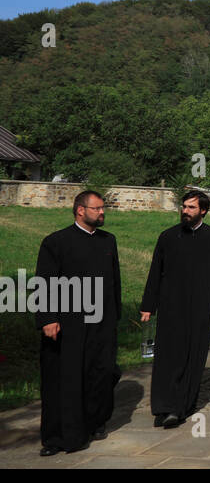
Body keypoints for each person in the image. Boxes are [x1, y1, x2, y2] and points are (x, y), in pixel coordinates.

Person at [35, 190, 121, 456]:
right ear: (80, 211)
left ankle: (95, 422)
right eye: (97, 208)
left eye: (103, 208)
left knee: (100, 374)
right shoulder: (56, 242)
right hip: (68, 324)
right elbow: (44, 284)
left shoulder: (109, 241)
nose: (102, 212)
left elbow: (114, 282)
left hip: (101, 324)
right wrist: (48, 318)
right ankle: (57, 437)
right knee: (64, 380)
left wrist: (114, 316)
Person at [140, 190, 210, 428]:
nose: (185, 211)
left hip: (200, 307)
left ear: (203, 210)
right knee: (167, 356)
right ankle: (162, 406)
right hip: (171, 305)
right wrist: (147, 306)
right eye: (184, 206)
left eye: (191, 207)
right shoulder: (168, 237)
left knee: (192, 355)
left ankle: (179, 407)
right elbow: (155, 273)